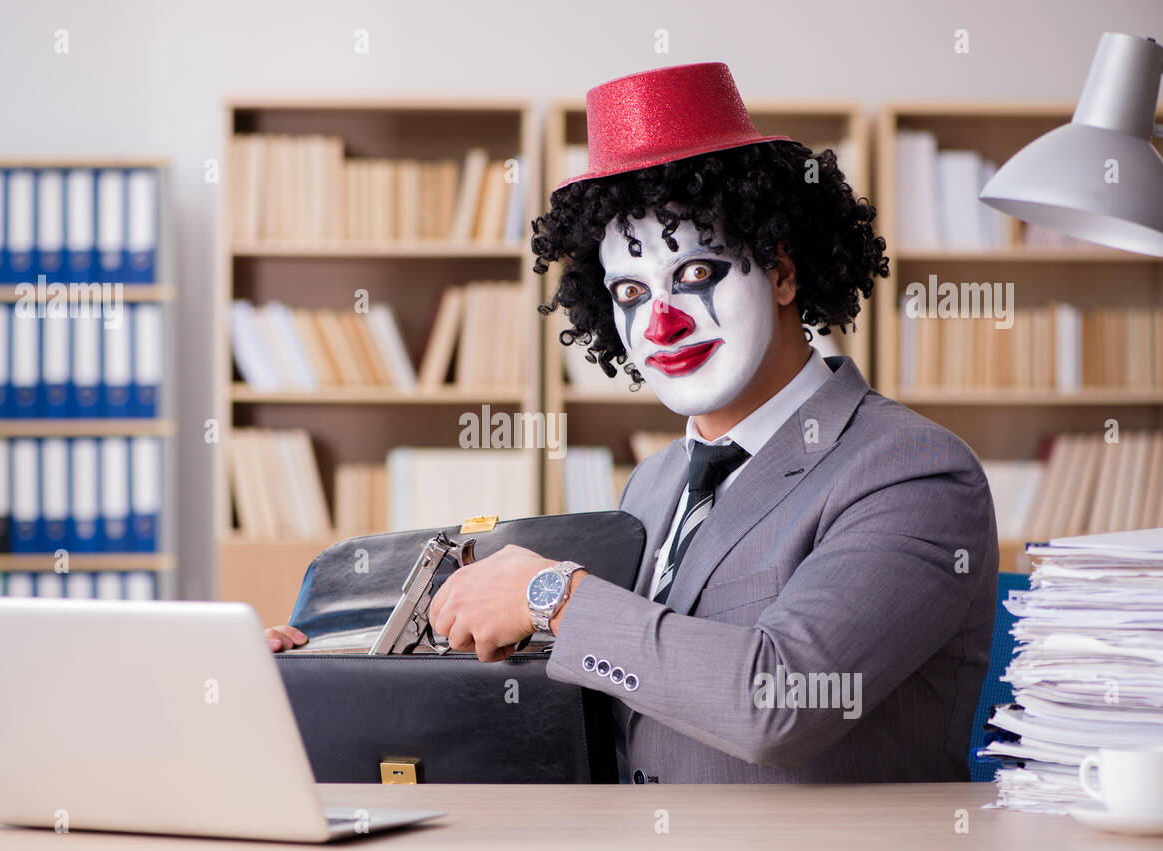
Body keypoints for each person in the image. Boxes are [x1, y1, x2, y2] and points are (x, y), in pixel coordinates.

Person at [268, 62, 999, 784]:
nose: (663, 321)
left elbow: (782, 700)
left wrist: (551, 594)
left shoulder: (912, 469)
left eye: (695, 275)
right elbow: (623, 684)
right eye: (629, 290)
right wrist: (318, 673)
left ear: (781, 271)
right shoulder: (654, 484)